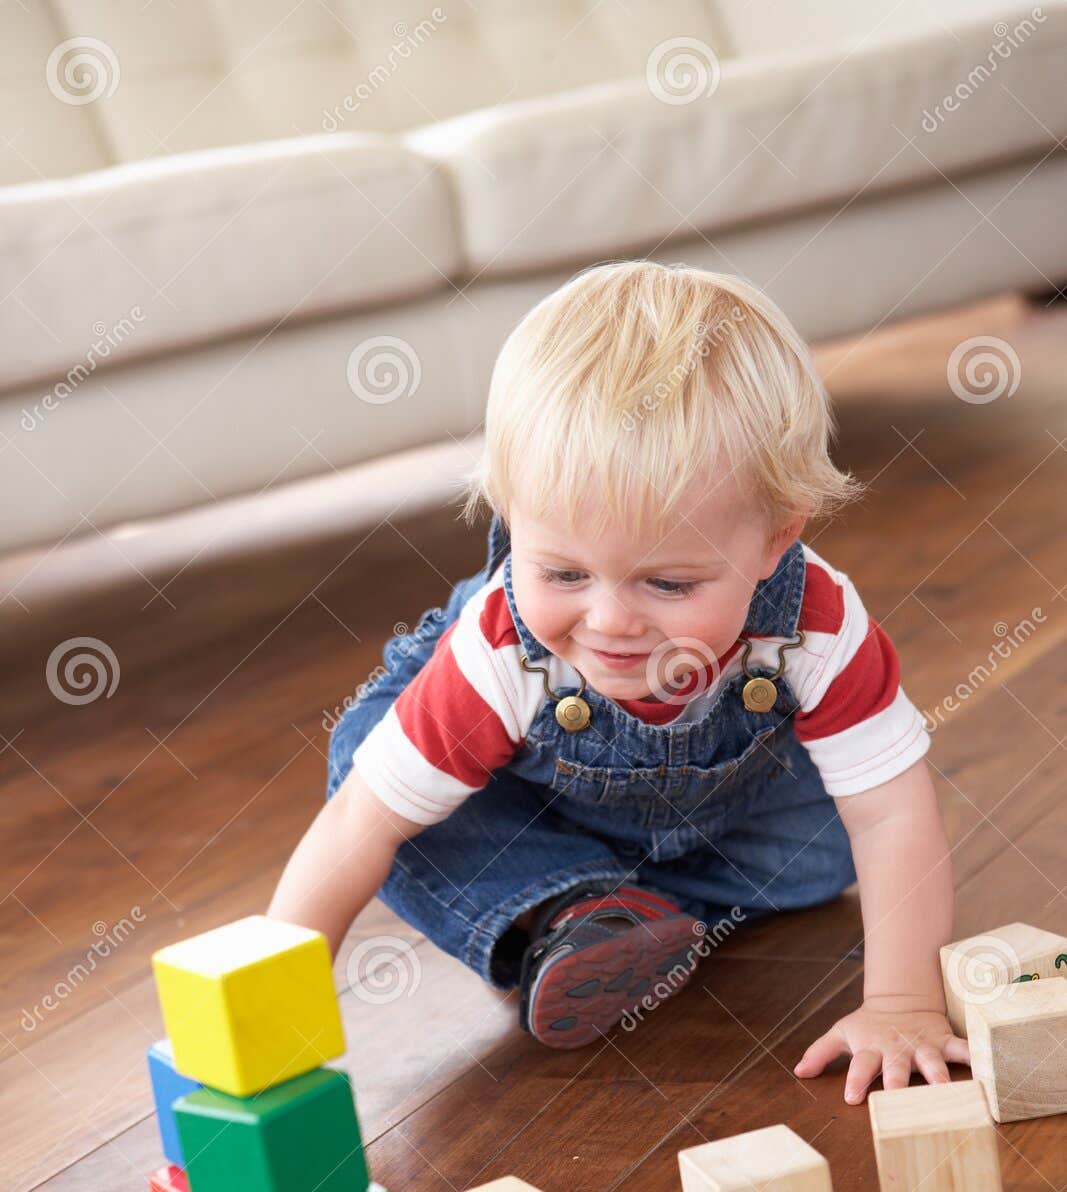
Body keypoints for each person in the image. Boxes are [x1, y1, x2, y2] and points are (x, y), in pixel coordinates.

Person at [268, 260, 968, 1104]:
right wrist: (268, 1029)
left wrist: (901, 1004)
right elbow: (358, 828)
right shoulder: (503, 650)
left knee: (819, 861)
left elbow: (890, 810)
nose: (607, 623)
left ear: (774, 542)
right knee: (378, 790)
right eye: (561, 572)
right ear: (509, 518)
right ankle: (562, 904)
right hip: (537, 802)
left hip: (734, 815)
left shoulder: (815, 622)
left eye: (667, 585)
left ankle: (605, 912)